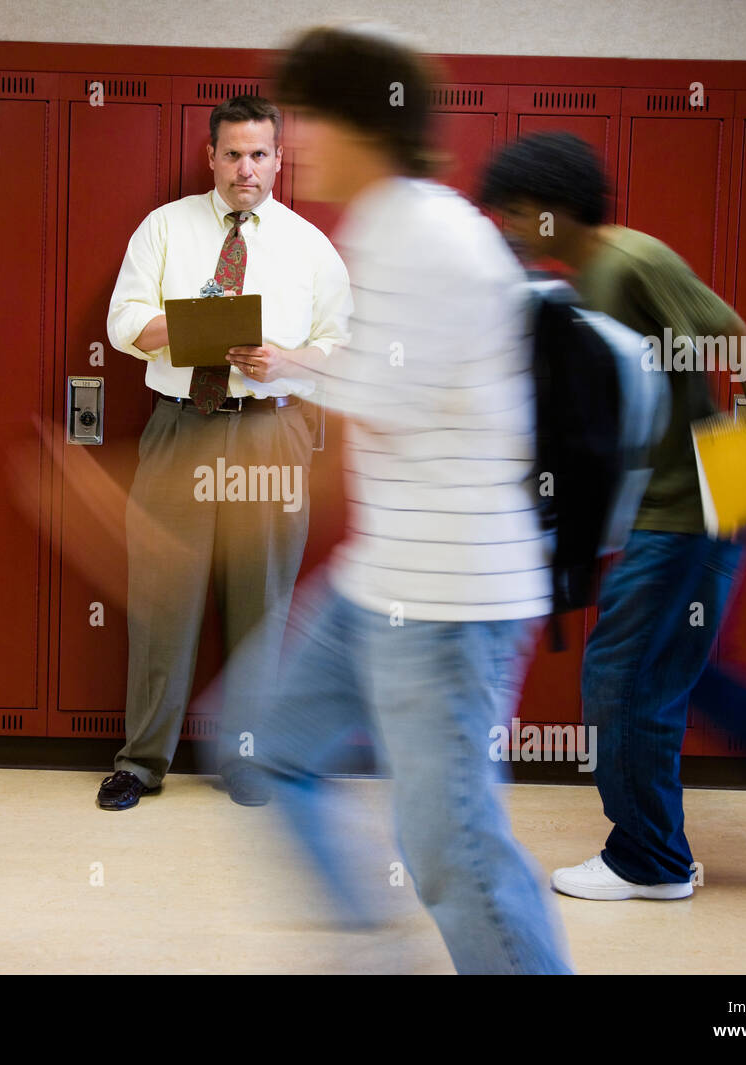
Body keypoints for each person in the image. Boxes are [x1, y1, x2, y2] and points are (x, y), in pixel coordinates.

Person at [235, 24, 572, 973]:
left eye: (303, 118)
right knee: (267, 744)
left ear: (359, 124)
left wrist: (167, 502)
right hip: (380, 583)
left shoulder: (421, 234)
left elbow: (383, 402)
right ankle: (377, 960)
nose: (291, 140)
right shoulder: (392, 223)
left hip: (449, 599)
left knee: (453, 851)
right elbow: (381, 377)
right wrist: (304, 364)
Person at [479, 130, 746, 901]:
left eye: (512, 213)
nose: (504, 228)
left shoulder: (633, 262)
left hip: (691, 510)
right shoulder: (582, 282)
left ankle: (650, 859)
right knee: (687, 676)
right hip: (665, 510)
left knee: (620, 676)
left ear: (548, 210)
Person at [99, 94, 351, 811]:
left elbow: (344, 349)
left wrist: (288, 359)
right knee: (160, 601)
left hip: (271, 429)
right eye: (233, 153)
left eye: (260, 154)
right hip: (182, 426)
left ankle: (251, 759)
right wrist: (206, 330)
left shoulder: (310, 246)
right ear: (211, 157)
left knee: (261, 602)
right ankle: (141, 763)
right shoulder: (165, 229)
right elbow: (125, 323)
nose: (247, 167)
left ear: (278, 160)